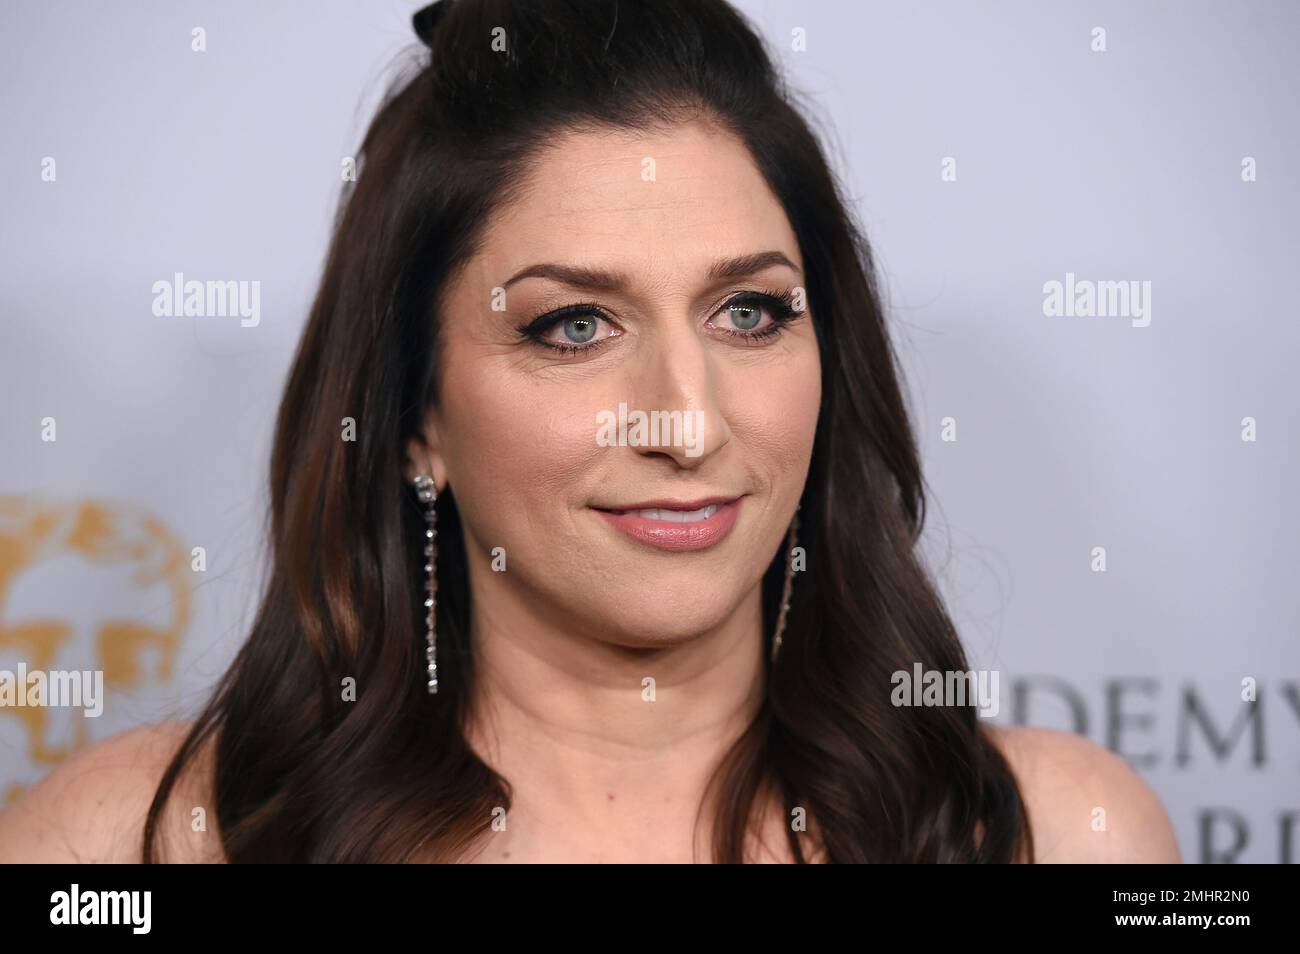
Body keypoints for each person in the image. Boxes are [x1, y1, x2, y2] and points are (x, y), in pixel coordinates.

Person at [0, 0, 1180, 863]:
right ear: (417, 419)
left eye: (749, 312)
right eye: (574, 327)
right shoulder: (128, 849)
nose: (686, 417)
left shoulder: (1057, 837)